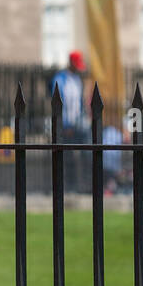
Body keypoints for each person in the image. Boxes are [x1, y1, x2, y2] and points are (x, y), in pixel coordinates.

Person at [50, 50, 89, 191]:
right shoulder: (60, 79)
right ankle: (67, 186)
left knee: (85, 154)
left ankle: (84, 184)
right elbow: (58, 103)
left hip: (77, 124)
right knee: (67, 157)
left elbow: (79, 103)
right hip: (65, 125)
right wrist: (65, 124)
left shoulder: (77, 80)